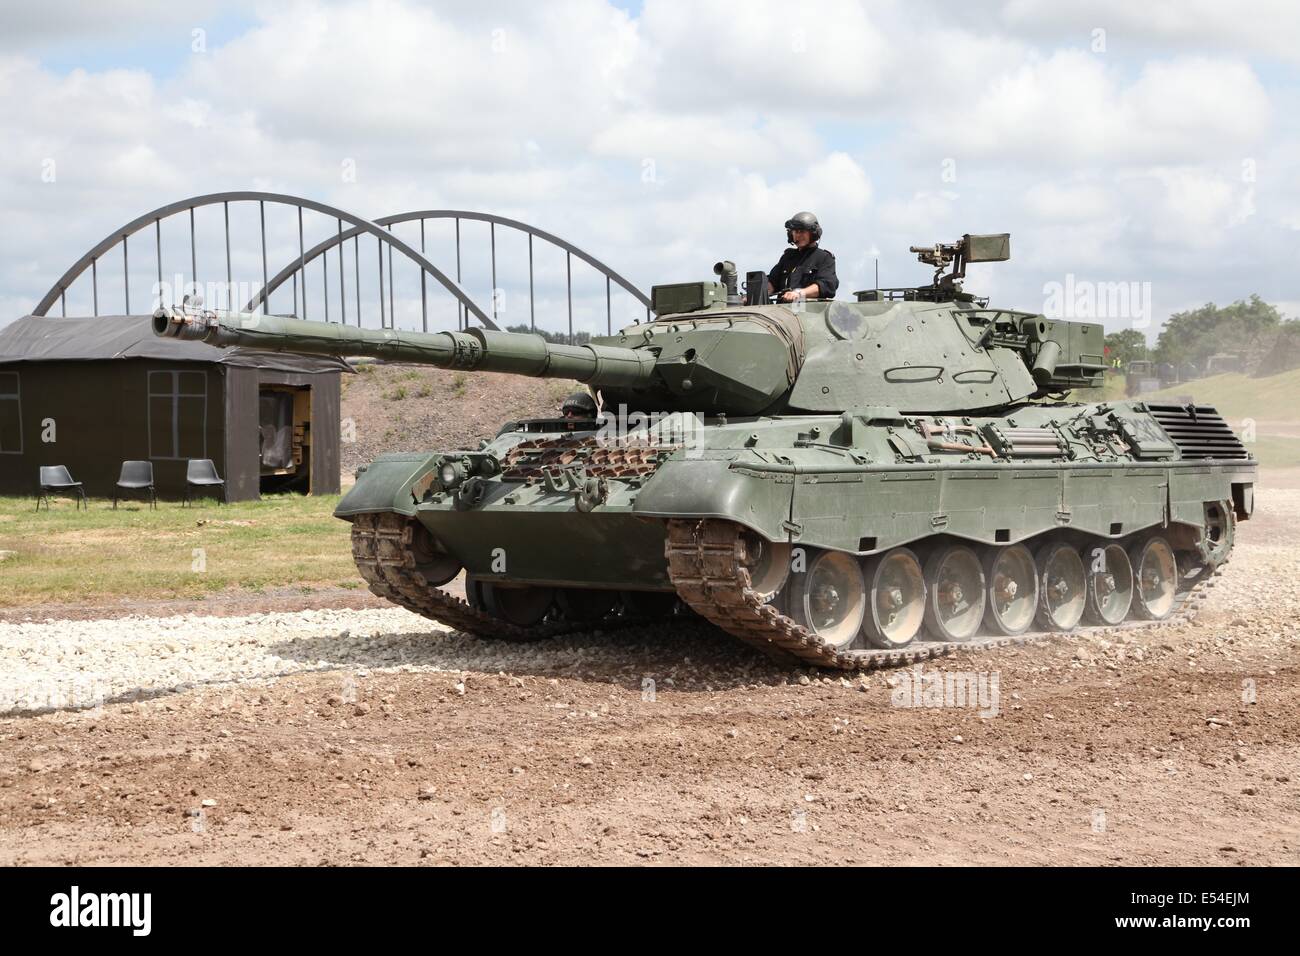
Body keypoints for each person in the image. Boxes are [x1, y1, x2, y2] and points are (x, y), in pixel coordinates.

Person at [767, 211, 838, 303]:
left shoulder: (824, 258)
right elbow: (772, 281)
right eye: (795, 232)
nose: (798, 235)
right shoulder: (788, 257)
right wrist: (757, 291)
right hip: (782, 313)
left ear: (813, 234)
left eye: (802, 231)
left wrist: (799, 293)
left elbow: (827, 285)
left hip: (808, 313)